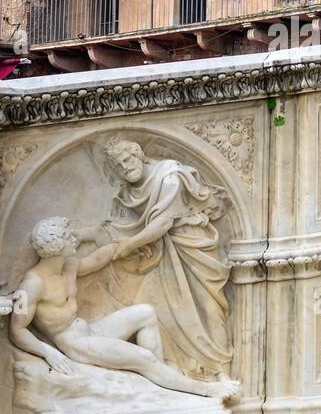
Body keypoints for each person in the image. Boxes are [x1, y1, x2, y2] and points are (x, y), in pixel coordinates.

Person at [8, 216, 237, 402]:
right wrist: (49, 352)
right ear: (56, 246)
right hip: (74, 344)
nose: (74, 238)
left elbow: (97, 261)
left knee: (145, 312)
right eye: (69, 237)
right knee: (143, 356)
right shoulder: (33, 283)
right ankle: (206, 390)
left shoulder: (68, 266)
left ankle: (158, 381)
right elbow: (17, 330)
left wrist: (125, 244)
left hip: (89, 330)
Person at [100, 137, 234, 381]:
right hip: (161, 252)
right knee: (148, 302)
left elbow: (163, 222)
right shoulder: (128, 193)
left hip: (192, 244)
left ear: (138, 154)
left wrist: (130, 244)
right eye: (118, 165)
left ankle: (221, 370)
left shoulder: (169, 175)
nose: (125, 168)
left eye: (128, 160)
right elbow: (116, 225)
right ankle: (169, 371)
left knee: (208, 304)